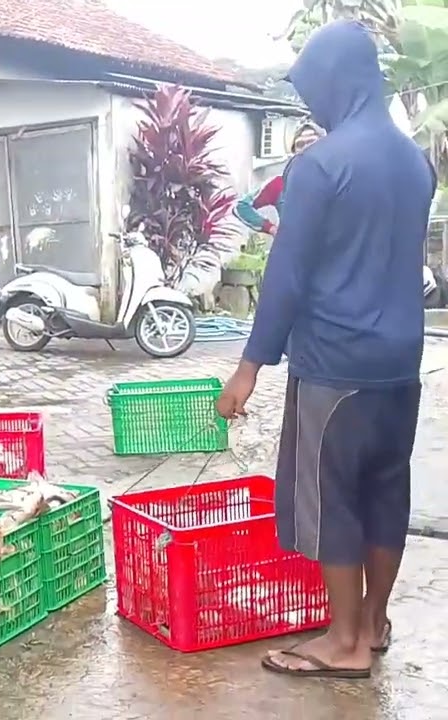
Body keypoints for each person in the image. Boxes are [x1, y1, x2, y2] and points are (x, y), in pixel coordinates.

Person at [215, 20, 434, 680]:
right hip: (401, 363)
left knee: (332, 498)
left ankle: (343, 644)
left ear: (338, 82)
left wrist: (249, 367)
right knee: (385, 494)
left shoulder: (320, 166)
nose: (310, 104)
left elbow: (286, 276)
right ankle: (371, 621)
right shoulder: (415, 162)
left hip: (336, 366)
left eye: (312, 90)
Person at [234, 122, 322, 236]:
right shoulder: (279, 184)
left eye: (312, 142)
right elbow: (242, 206)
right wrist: (271, 229)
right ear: (294, 152)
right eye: (300, 144)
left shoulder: (339, 181)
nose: (306, 148)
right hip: (292, 250)